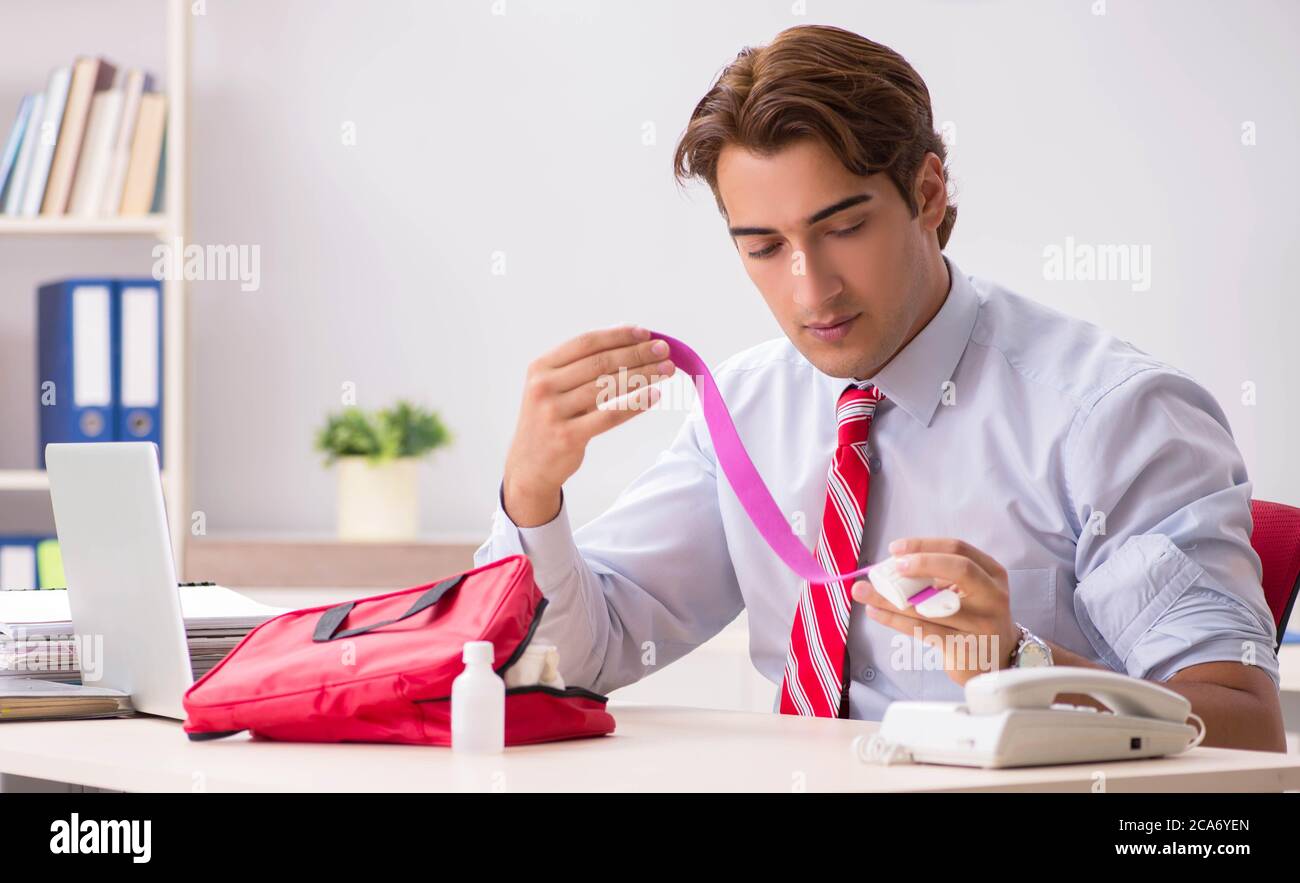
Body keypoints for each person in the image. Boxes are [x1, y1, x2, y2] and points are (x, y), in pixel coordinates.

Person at [473, 24, 1285, 750]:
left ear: (928, 194)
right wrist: (533, 494)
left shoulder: (1113, 415)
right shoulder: (749, 410)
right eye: (763, 247)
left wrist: (1016, 663)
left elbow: (1242, 726)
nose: (810, 289)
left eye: (845, 228)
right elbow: (573, 659)